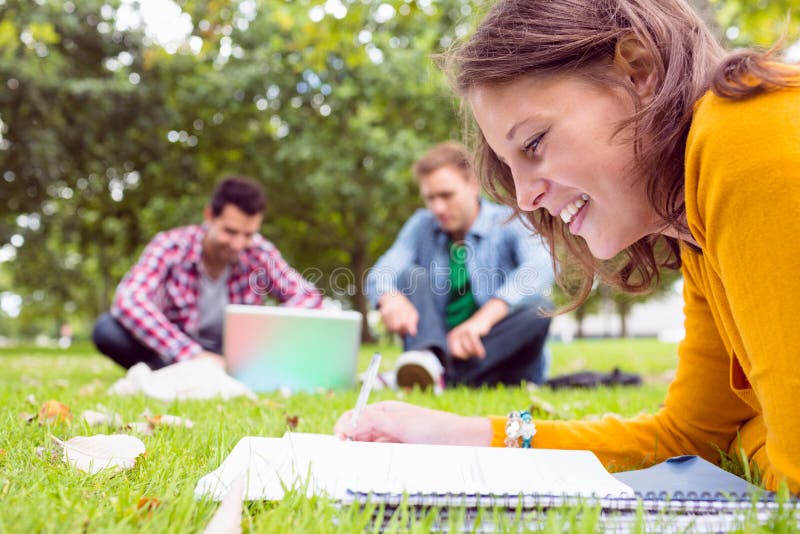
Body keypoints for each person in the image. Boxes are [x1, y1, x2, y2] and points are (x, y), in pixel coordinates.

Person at [336, 0, 800, 493]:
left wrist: (753, 438)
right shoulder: (697, 236)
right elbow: (691, 436)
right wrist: (462, 434)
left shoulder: (749, 139)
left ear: (637, 71)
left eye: (534, 143)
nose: (523, 197)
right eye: (509, 166)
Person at [366, 141, 554, 390]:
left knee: (539, 309)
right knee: (410, 276)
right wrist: (388, 297)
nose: (438, 208)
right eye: (430, 198)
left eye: (446, 195)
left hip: (494, 351)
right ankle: (430, 360)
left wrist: (484, 319)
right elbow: (384, 269)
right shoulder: (422, 226)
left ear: (473, 185)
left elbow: (542, 266)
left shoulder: (508, 220)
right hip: (439, 345)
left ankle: (438, 374)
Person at [92, 176, 322, 370]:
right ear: (209, 216)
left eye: (248, 234)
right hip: (177, 348)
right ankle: (187, 372)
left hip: (232, 354)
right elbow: (129, 300)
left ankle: (218, 373)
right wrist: (193, 355)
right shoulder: (171, 245)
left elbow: (308, 296)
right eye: (230, 231)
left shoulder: (259, 252)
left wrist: (268, 332)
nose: (238, 244)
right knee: (107, 330)